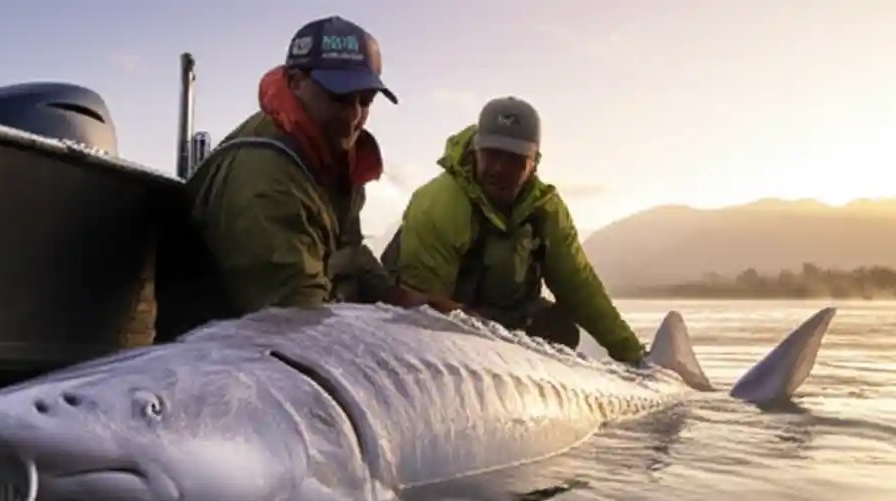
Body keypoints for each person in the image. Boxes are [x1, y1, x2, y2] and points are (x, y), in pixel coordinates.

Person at [155, 15, 443, 341]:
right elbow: (299, 326)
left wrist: (407, 303)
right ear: (295, 81)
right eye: (339, 97)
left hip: (292, 346)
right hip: (222, 369)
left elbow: (350, 253)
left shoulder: (332, 159)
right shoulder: (262, 177)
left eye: (365, 101)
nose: (353, 117)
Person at [380, 96, 644, 364]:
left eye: (514, 160)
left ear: (534, 162)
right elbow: (422, 311)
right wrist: (484, 337)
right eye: (491, 155)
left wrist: (633, 354)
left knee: (559, 329)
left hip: (499, 322)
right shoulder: (439, 203)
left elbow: (579, 286)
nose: (498, 168)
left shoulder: (546, 210)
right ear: (475, 150)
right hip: (440, 318)